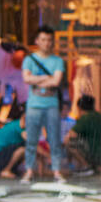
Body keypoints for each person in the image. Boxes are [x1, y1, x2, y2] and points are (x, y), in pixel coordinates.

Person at [21, 24, 67, 185]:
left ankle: (56, 171)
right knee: (31, 139)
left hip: (51, 104)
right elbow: (26, 79)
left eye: (49, 40)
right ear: (37, 41)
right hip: (34, 105)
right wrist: (46, 80)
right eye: (43, 39)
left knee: (54, 139)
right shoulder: (29, 59)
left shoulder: (58, 61)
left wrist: (37, 79)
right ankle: (28, 171)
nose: (46, 43)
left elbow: (56, 81)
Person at [0, 104, 26, 177]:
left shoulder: (20, 125)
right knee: (23, 149)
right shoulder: (18, 127)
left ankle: (11, 169)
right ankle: (6, 170)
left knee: (24, 147)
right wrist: (48, 156)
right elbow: (33, 144)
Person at [64, 94, 101, 175]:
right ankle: (94, 167)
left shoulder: (85, 118)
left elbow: (70, 136)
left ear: (79, 107)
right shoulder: (99, 116)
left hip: (93, 152)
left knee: (69, 143)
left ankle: (86, 166)